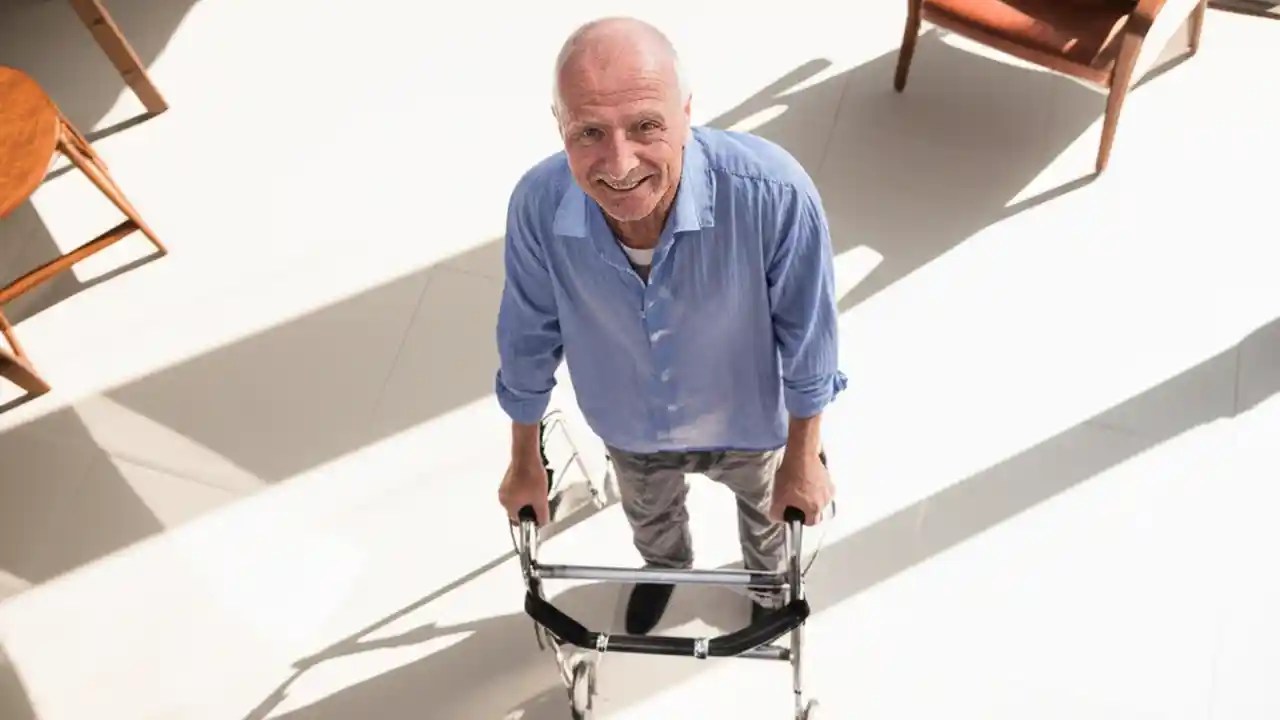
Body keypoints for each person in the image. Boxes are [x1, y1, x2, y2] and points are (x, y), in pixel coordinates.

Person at [494, 16, 846, 635]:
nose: (619, 163)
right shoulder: (536, 205)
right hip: (628, 423)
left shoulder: (776, 193)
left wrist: (804, 455)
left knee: (769, 535)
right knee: (651, 526)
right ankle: (666, 569)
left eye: (646, 126)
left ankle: (765, 590)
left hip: (750, 422)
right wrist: (525, 460)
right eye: (589, 132)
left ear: (686, 113)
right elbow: (527, 337)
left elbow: (809, 337)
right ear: (560, 126)